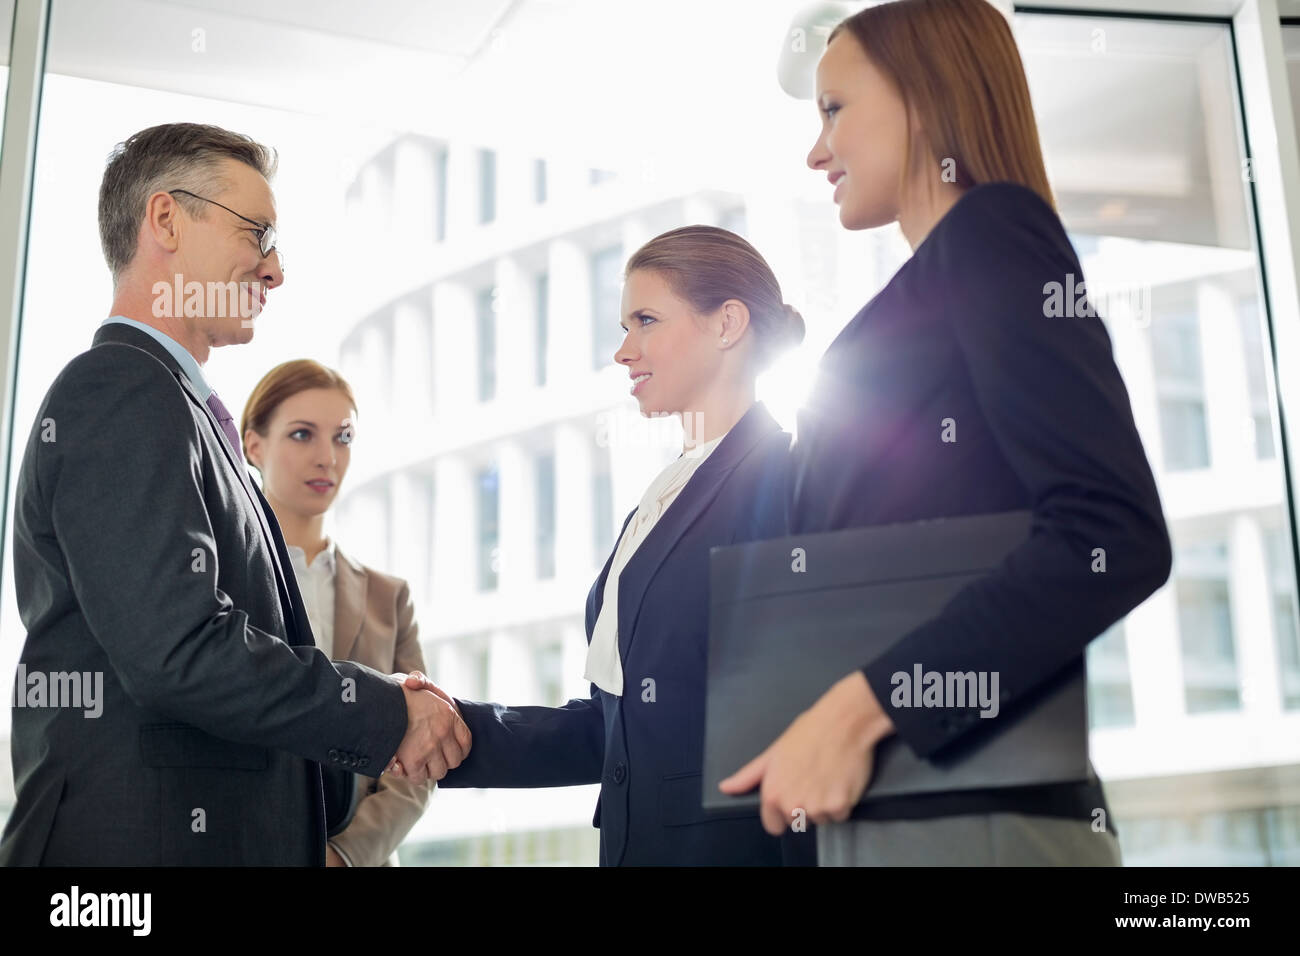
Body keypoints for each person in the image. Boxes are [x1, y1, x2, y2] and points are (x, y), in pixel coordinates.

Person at [719, 0, 1172, 865]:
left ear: (923, 95)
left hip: (970, 820)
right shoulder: (941, 280)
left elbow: (1111, 534)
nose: (817, 150)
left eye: (835, 109)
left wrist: (862, 708)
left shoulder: (995, 235)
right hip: (901, 814)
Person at [0, 123, 467, 866]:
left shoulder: (174, 406)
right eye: (259, 233)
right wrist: (380, 708)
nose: (275, 269)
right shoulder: (120, 389)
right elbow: (179, 649)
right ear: (165, 221)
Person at [424, 226, 815, 865]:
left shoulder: (784, 480)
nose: (623, 351)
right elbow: (617, 727)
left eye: (646, 320)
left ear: (727, 324)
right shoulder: (665, 494)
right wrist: (462, 729)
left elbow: (800, 712)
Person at [241, 359, 435, 867]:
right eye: (303, 434)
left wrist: (342, 856)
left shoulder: (387, 598)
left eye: (343, 437)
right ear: (253, 445)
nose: (327, 457)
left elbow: (418, 760)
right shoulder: (220, 584)